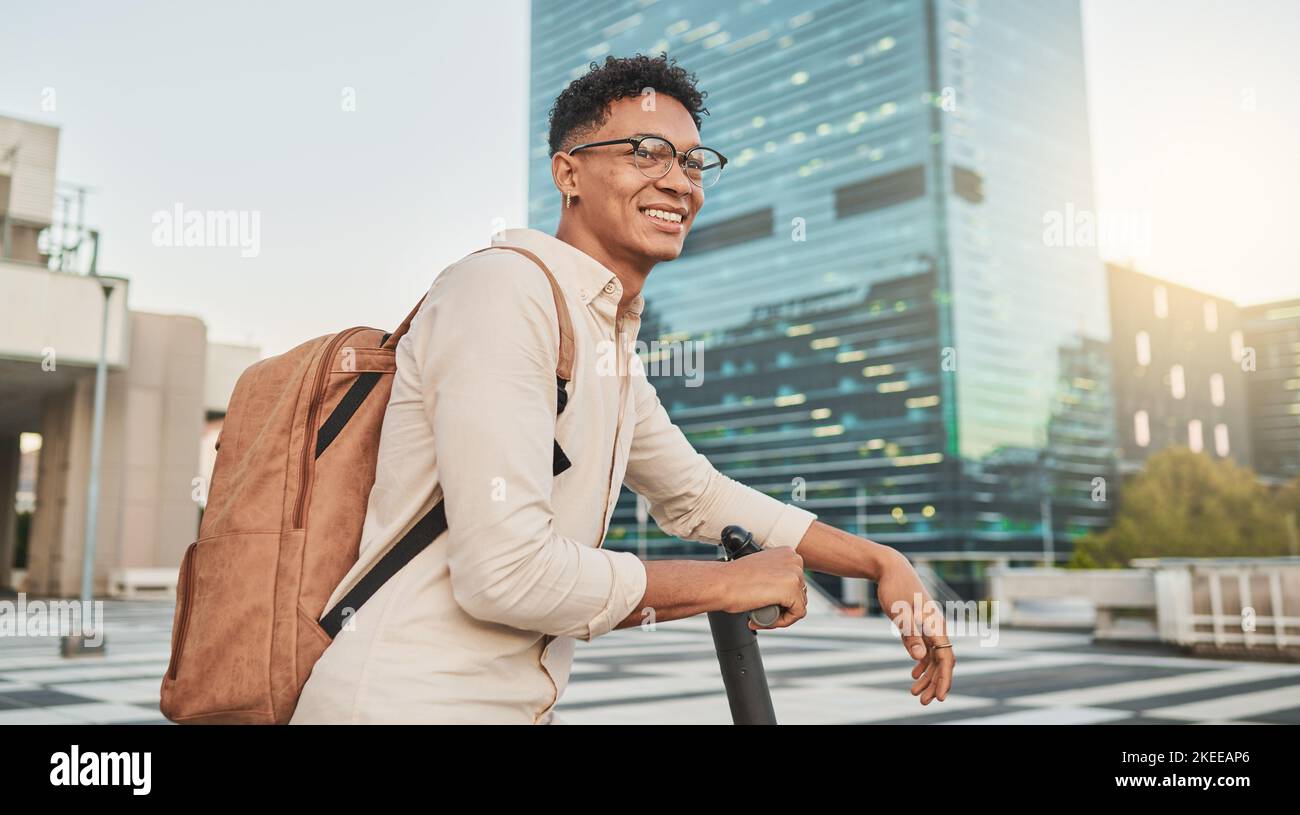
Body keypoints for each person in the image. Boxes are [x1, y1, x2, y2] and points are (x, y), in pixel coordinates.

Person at [290, 53, 954, 725]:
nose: (680, 183)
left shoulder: (599, 340)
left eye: (694, 163)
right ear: (568, 172)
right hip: (400, 706)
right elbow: (505, 572)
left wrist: (878, 559)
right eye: (647, 153)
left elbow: (696, 494)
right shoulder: (501, 292)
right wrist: (725, 583)